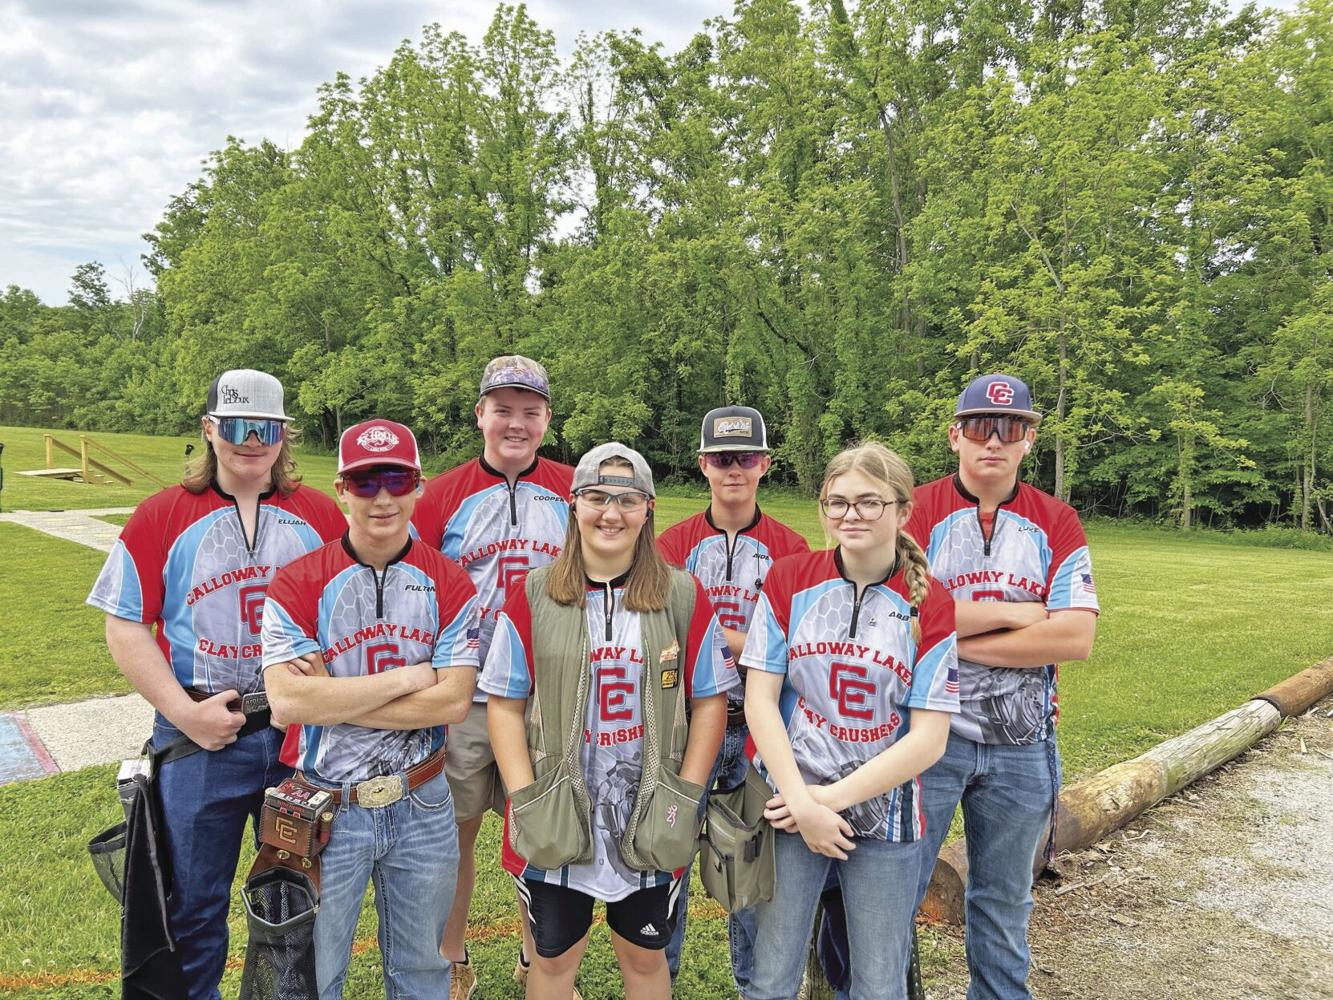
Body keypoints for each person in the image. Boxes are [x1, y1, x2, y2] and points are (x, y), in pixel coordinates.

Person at [86, 369, 347, 1000]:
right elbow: (124, 626)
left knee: (297, 904)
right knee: (193, 910)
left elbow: (353, 609)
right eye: (235, 426)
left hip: (297, 742)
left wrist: (323, 673)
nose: (250, 441)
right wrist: (185, 712)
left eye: (266, 428)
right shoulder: (162, 514)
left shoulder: (318, 514)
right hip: (200, 734)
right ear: (209, 430)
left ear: (285, 436)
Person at [482, 443, 738, 1000]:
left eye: (627, 499)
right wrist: (525, 796)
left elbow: (710, 701)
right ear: (574, 505)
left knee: (645, 962)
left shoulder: (681, 595)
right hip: (557, 806)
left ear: (648, 509)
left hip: (647, 807)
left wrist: (685, 795)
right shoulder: (534, 593)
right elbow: (504, 702)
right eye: (597, 497)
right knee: (552, 963)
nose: (611, 513)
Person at [262, 418, 481, 999]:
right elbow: (287, 700)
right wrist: (412, 678)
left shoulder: (451, 582)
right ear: (340, 489)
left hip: (423, 802)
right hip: (327, 803)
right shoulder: (297, 582)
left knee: (422, 973)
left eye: (395, 479)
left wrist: (331, 698)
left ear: (418, 485)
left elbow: (455, 701)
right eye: (364, 482)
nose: (381, 497)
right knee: (315, 973)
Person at [742, 441, 959, 1000]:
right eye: (837, 502)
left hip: (884, 813)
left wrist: (828, 803)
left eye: (868, 502)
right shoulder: (791, 578)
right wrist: (803, 802)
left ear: (902, 510)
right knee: (771, 976)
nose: (851, 515)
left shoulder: (931, 603)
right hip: (789, 804)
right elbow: (761, 699)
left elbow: (930, 739)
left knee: (879, 984)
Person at [908, 374, 1099, 1000]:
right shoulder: (913, 509)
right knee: (894, 889)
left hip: (1023, 743)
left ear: (1029, 439)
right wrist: (1017, 613)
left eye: (1010, 428)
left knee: (1004, 900)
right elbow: (897, 618)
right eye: (980, 427)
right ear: (955, 435)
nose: (994, 440)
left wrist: (953, 634)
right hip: (925, 738)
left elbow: (1073, 637)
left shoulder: (1056, 520)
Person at [410, 355, 575, 999]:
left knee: (543, 833)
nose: (516, 423)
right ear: (480, 414)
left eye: (529, 412)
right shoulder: (443, 494)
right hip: (464, 697)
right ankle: (452, 955)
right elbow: (412, 588)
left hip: (547, 698)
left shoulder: (573, 487)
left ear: (545, 420)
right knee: (454, 836)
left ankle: (539, 959)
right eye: (502, 409)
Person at [656, 405, 810, 991]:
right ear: (703, 465)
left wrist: (719, 634)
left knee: (749, 870)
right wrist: (752, 641)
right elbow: (655, 633)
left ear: (765, 464)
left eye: (745, 458)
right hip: (686, 726)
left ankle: (754, 985)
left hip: (759, 729)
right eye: (722, 459)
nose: (734, 470)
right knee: (666, 855)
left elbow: (799, 647)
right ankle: (660, 979)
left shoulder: (791, 548)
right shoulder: (672, 543)